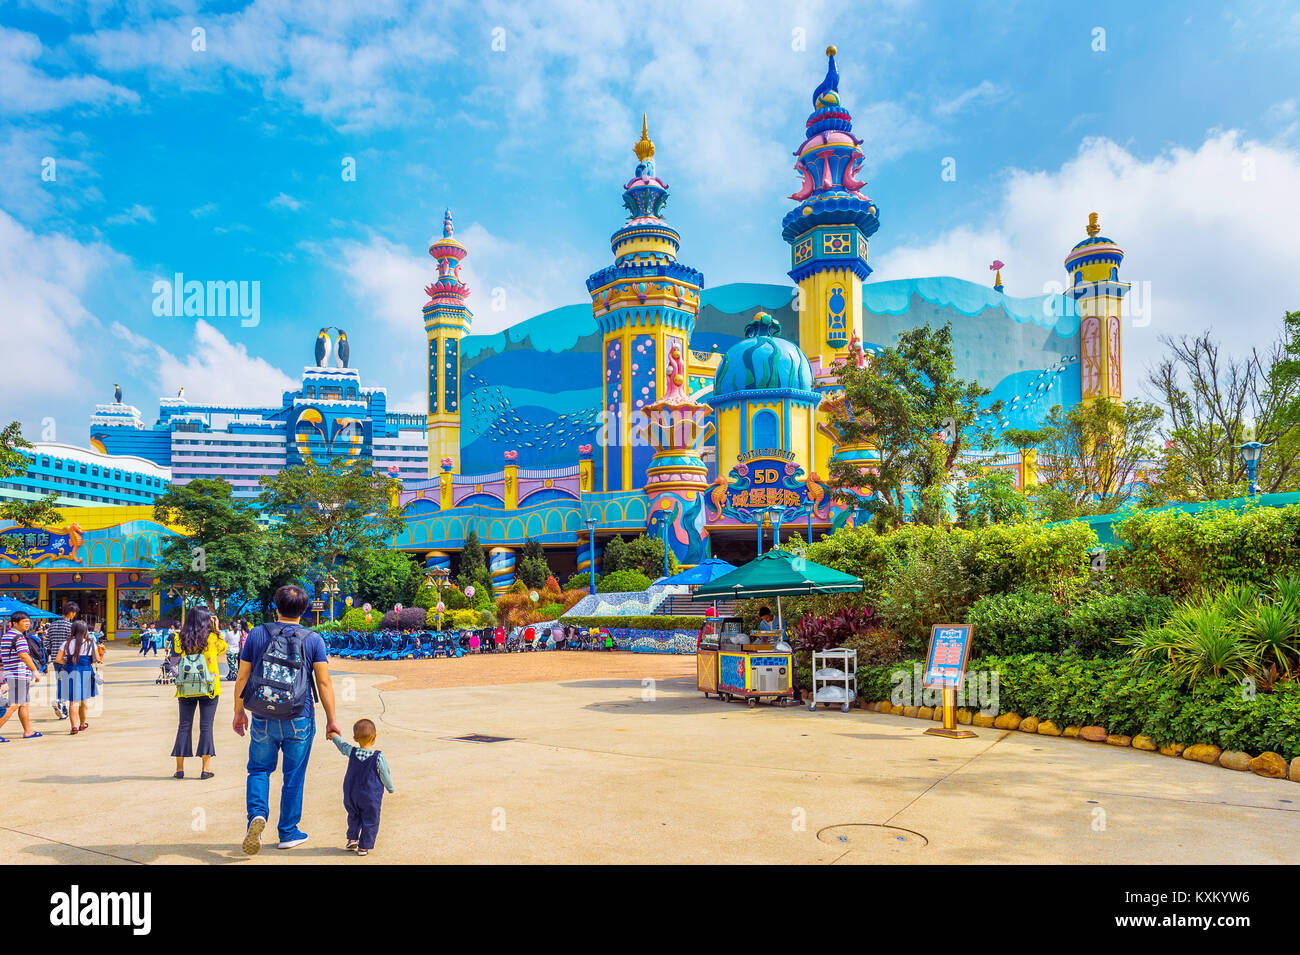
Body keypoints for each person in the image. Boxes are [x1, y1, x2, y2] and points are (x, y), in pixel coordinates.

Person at [233, 584, 340, 855]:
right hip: (299, 716)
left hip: (262, 714)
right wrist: (331, 719)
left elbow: (242, 676)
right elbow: (324, 682)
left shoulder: (257, 634)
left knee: (258, 770)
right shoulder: (313, 639)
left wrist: (238, 711)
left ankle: (256, 815)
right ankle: (289, 832)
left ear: (276, 606)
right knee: (294, 776)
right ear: (304, 610)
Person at [170, 607, 226, 780]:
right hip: (209, 687)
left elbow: (178, 652)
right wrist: (216, 629)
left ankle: (180, 769)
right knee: (206, 727)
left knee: (184, 726)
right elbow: (223, 650)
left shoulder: (181, 637)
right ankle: (205, 769)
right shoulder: (213, 637)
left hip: (186, 687)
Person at [330, 717, 395, 856]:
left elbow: (342, 745)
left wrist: (333, 736)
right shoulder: (378, 757)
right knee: (370, 819)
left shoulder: (352, 752)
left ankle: (352, 838)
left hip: (351, 794)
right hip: (370, 796)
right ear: (375, 737)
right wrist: (390, 788)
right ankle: (364, 846)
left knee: (354, 815)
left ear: (355, 738)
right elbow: (384, 773)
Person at [0, 611, 43, 741]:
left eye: (28, 622)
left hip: (12, 673)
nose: (27, 624)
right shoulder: (19, 637)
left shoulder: (6, 636)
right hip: (18, 674)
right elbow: (23, 654)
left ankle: (28, 731)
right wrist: (34, 670)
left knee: (24, 703)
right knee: (15, 704)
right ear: (14, 623)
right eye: (24, 622)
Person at [55, 620, 98, 735]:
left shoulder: (67, 643)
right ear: (85, 631)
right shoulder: (91, 643)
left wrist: (68, 661)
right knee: (83, 702)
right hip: (85, 672)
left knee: (73, 702)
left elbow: (58, 659)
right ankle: (82, 724)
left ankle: (73, 727)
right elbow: (96, 659)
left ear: (73, 630)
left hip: (70, 672)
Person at [45, 601, 77, 720]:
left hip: (55, 659)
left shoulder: (52, 626)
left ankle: (62, 707)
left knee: (60, 681)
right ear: (71, 613)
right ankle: (61, 702)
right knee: (69, 682)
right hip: (67, 659)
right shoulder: (70, 626)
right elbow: (74, 643)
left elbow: (46, 643)